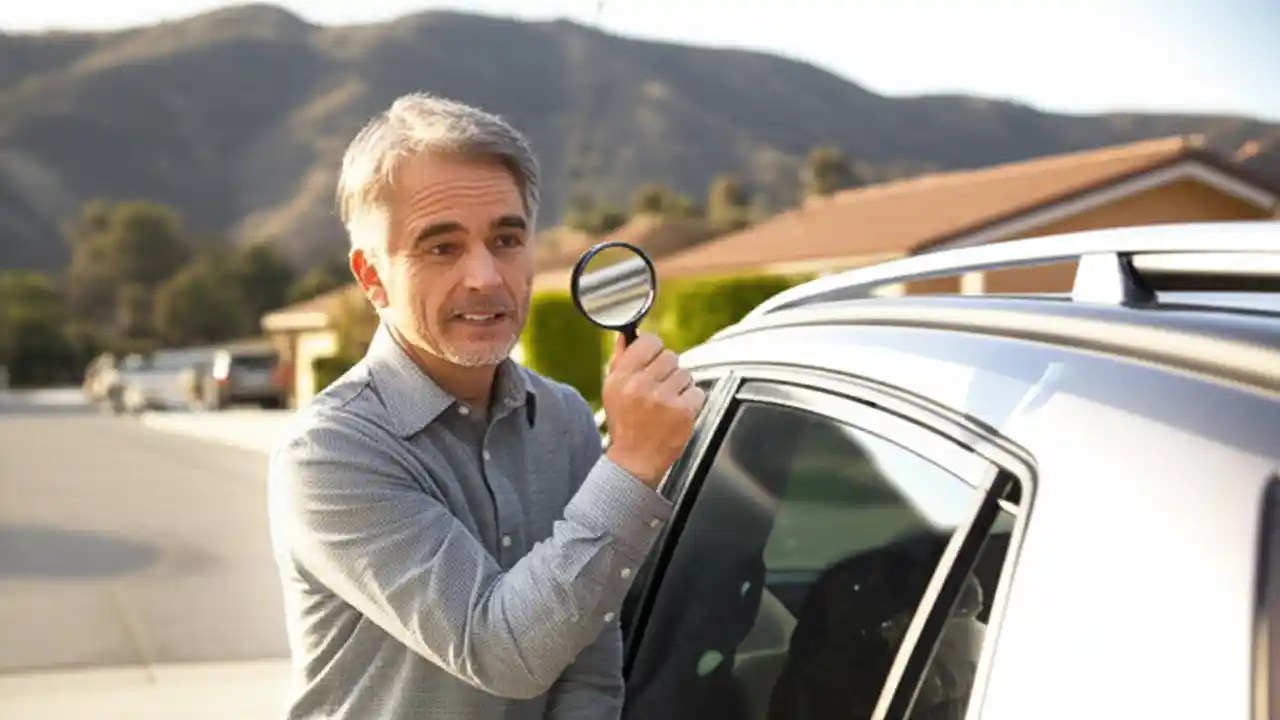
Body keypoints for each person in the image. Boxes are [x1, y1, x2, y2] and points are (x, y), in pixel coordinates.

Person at [266, 92, 704, 720]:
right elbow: (501, 652)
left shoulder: (564, 419)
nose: (485, 277)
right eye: (440, 248)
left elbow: (589, 666)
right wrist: (632, 463)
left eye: (505, 239)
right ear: (371, 277)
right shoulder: (330, 454)